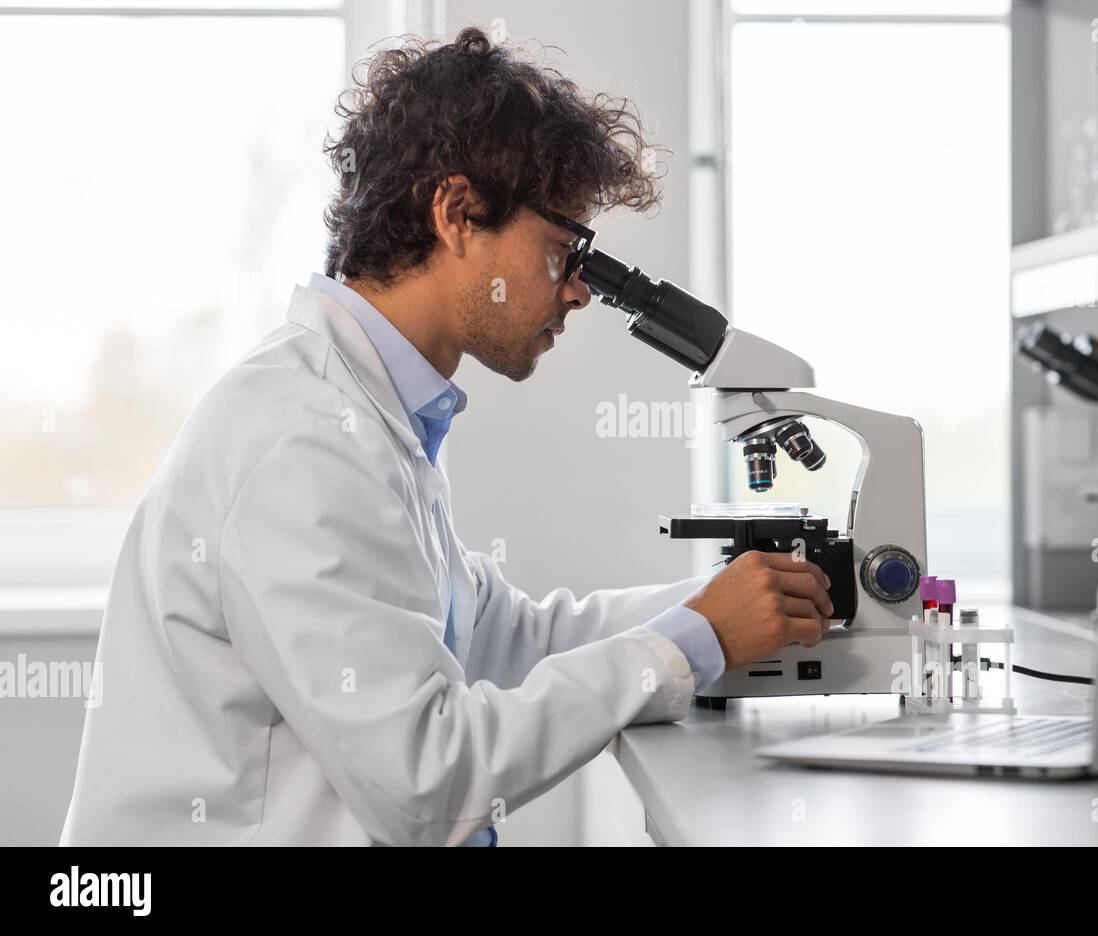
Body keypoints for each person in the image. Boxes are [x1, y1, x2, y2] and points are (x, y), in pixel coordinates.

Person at [60, 26, 832, 847]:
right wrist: (697, 641)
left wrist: (733, 605)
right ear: (458, 213)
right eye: (565, 252)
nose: (578, 294)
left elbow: (513, 639)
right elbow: (426, 784)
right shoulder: (305, 438)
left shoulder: (377, 412)